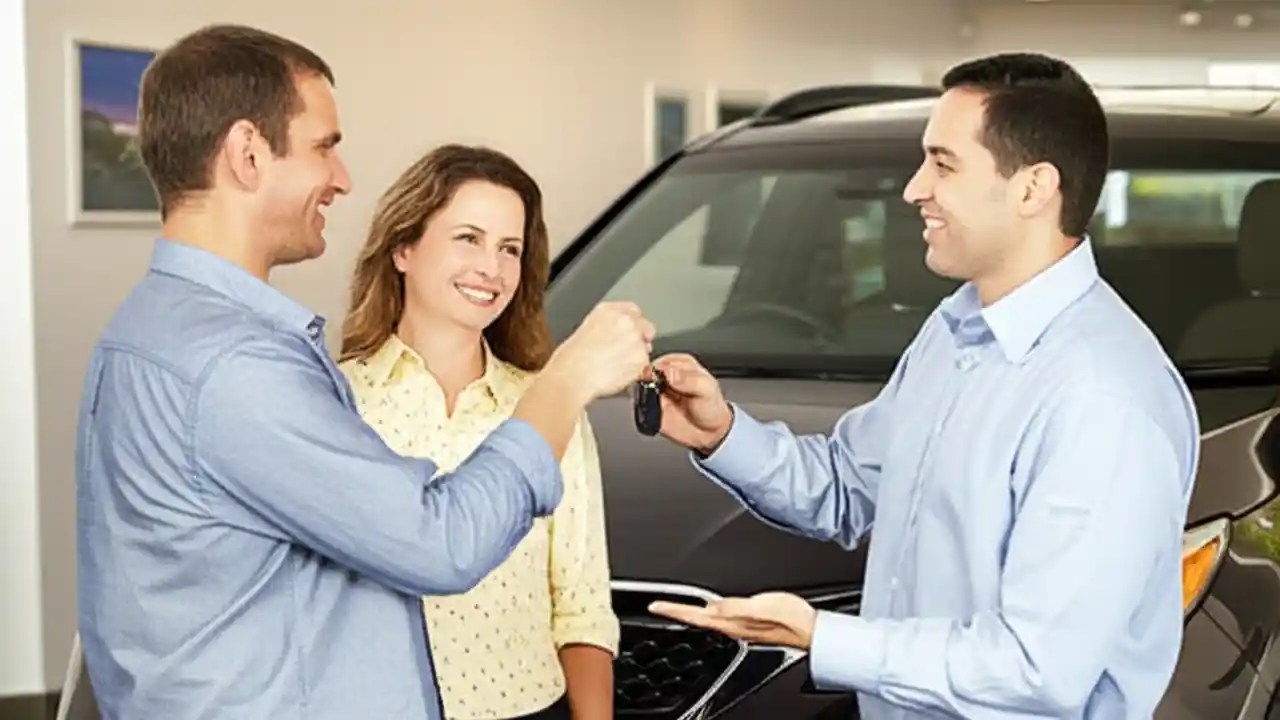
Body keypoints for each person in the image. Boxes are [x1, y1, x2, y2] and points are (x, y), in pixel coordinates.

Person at [74, 24, 653, 720]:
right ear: (248, 154)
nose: (343, 179)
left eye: (508, 248)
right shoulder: (236, 368)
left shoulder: (144, 333)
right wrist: (566, 380)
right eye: (325, 147)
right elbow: (439, 544)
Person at [647, 52, 1201, 719]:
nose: (914, 189)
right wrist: (723, 434)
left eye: (943, 164)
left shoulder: (1105, 399)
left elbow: (1037, 667)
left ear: (1032, 189)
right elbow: (852, 487)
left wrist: (826, 638)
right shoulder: (956, 329)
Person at [336, 144, 617, 720]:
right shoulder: (334, 402)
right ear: (404, 248)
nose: (492, 268)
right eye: (469, 238)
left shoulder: (549, 405)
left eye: (509, 248)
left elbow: (583, 609)